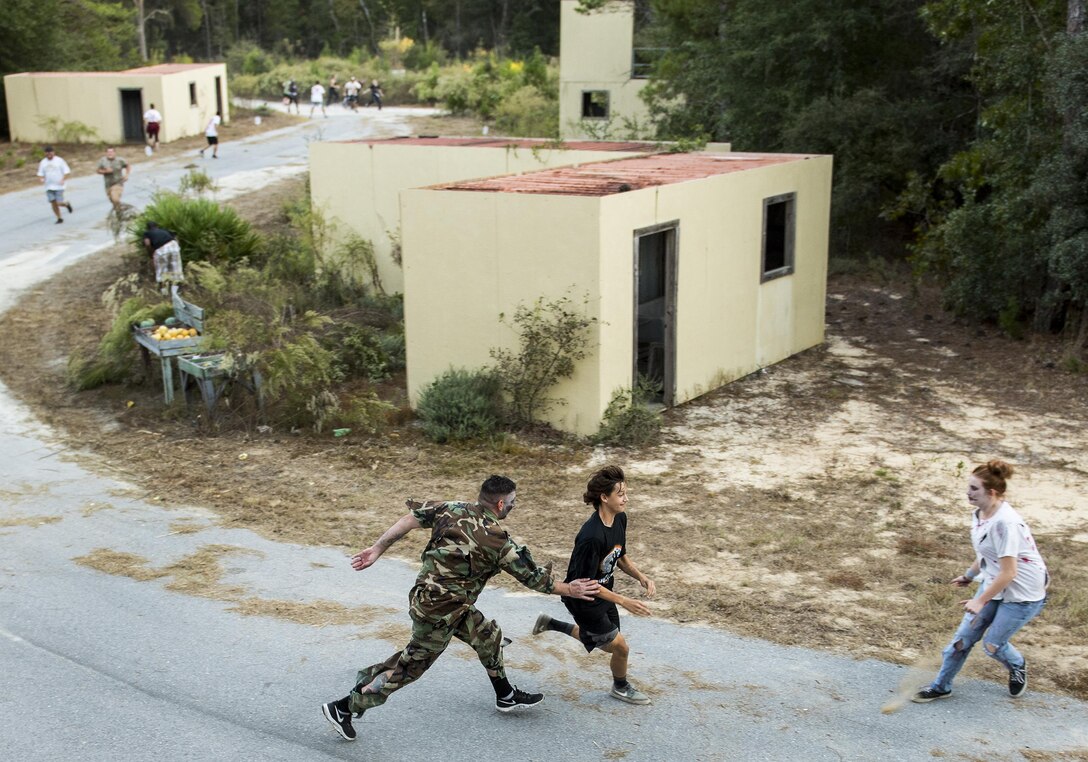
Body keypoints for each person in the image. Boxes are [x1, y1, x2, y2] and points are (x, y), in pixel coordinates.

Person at [320, 475, 600, 742]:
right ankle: (344, 707)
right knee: (410, 667)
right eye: (512, 502)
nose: (513, 506)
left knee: (488, 636)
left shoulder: (451, 508)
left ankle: (505, 695)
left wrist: (377, 548)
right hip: (439, 613)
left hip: (435, 599)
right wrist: (571, 589)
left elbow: (409, 519)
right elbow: (534, 579)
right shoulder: (496, 539)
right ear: (500, 504)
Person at [913, 460, 1049, 704]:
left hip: (1022, 594)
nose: (968, 492)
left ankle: (1017, 664)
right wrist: (968, 575)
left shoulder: (1005, 524)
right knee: (961, 642)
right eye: (969, 486)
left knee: (993, 645)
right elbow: (987, 554)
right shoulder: (980, 515)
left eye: (974, 489)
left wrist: (979, 601)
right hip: (994, 582)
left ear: (992, 492)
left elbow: (1009, 572)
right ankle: (941, 687)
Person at [532, 465, 656, 705]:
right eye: (620, 494)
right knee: (620, 647)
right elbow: (586, 585)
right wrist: (624, 601)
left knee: (604, 640)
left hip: (604, 593)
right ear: (604, 497)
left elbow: (619, 555)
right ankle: (620, 687)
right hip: (584, 600)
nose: (626, 499)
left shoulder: (620, 518)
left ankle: (551, 623)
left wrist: (641, 576)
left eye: (626, 493)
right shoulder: (591, 536)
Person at [143, 221, 184, 296]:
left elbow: (147, 244)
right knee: (176, 268)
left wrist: (151, 254)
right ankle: (177, 292)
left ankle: (164, 293)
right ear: (157, 226)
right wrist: (177, 247)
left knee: (161, 271)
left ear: (148, 228)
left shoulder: (147, 233)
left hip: (161, 249)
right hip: (173, 245)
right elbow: (175, 237)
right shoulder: (164, 230)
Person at [36, 146, 72, 224]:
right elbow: (40, 173)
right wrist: (41, 179)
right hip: (48, 186)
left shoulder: (59, 160)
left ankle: (66, 204)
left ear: (53, 152)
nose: (49, 154)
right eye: (47, 152)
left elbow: (67, 171)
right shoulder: (43, 162)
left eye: (50, 152)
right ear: (45, 153)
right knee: (53, 202)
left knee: (58, 202)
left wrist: (63, 179)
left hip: (59, 186)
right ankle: (59, 218)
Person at [96, 146, 130, 215]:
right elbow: (97, 170)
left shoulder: (120, 160)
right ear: (106, 153)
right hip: (108, 185)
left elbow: (127, 166)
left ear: (114, 153)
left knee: (115, 199)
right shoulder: (103, 161)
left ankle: (122, 211)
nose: (110, 153)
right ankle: (120, 213)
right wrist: (105, 171)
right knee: (113, 202)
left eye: (111, 152)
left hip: (118, 183)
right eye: (108, 152)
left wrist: (126, 175)